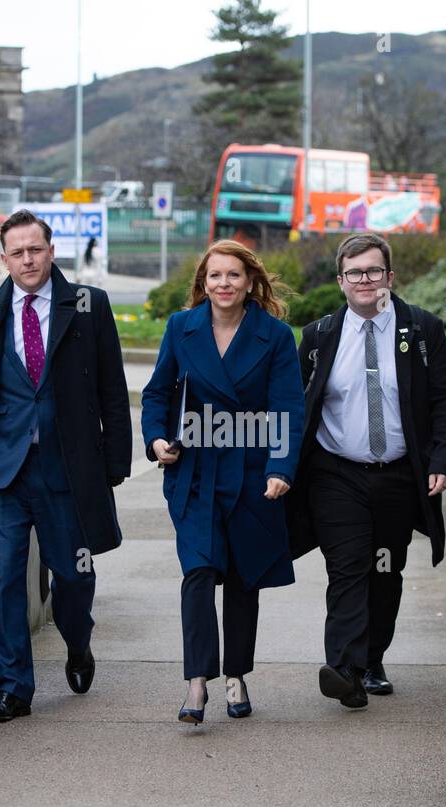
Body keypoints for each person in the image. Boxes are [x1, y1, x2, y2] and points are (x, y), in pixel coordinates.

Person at [0, 209, 132, 721]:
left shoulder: (89, 304)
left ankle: (78, 641)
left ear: (51, 251)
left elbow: (112, 388)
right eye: (17, 252)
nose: (28, 259)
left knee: (74, 576)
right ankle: (13, 689)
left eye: (35, 249)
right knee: (0, 581)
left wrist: (115, 461)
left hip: (66, 470)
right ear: (3, 259)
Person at [287, 233, 446, 708]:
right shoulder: (320, 336)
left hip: (400, 474)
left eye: (373, 271)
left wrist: (443, 460)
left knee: (386, 568)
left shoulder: (421, 330)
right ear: (340, 280)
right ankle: (343, 667)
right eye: (354, 273)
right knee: (347, 566)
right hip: (336, 472)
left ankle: (371, 660)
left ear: (389, 276)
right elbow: (295, 404)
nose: (365, 280)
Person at [140, 240, 304, 725]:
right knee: (198, 572)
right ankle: (196, 682)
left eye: (233, 275)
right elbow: (155, 395)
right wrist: (156, 441)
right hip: (194, 472)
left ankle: (236, 675)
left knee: (240, 577)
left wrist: (281, 468)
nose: (224, 284)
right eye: (215, 276)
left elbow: (288, 409)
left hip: (252, 472)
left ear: (250, 281)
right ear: (203, 283)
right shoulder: (181, 327)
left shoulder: (274, 336)